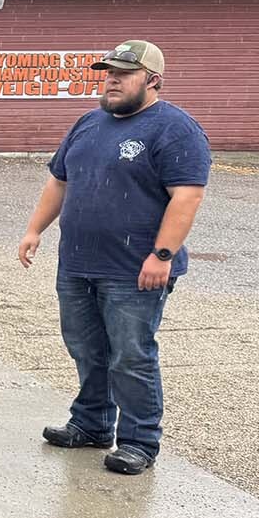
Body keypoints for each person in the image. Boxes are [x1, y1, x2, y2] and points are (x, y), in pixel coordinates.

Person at [18, 39, 210, 476]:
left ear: (153, 80)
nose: (113, 79)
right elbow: (59, 183)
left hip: (135, 270)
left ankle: (139, 442)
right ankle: (91, 424)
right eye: (109, 72)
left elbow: (187, 196)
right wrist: (34, 230)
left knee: (131, 355)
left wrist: (162, 254)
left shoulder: (175, 129)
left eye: (125, 73)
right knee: (86, 347)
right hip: (78, 263)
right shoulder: (88, 123)